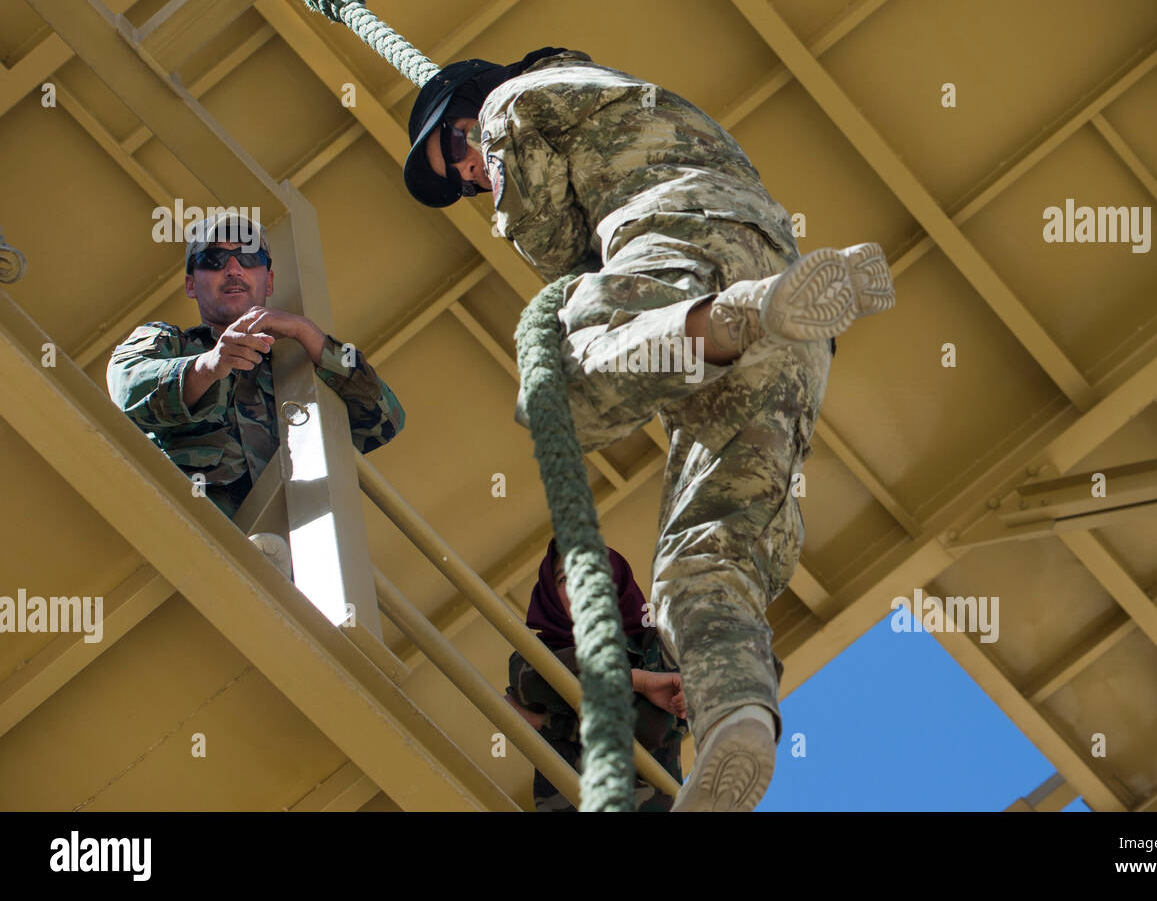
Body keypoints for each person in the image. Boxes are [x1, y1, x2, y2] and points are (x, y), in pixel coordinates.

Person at [403, 47, 894, 811]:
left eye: (458, 148)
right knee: (705, 560)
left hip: (677, 242)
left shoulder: (516, 101)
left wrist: (526, 210)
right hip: (773, 299)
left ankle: (739, 318)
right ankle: (737, 716)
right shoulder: (636, 98)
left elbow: (547, 235)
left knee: (558, 395)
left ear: (478, 104)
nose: (467, 172)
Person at [107, 214, 406, 529]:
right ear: (191, 285)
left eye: (249, 256)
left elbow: (387, 421)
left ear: (270, 280)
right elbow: (126, 389)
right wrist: (209, 366)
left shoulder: (302, 366)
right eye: (214, 259)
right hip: (194, 538)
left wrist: (306, 332)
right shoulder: (168, 342)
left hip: (298, 555)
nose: (233, 269)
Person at [505, 539, 688, 812]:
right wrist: (638, 681)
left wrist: (550, 722)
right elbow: (529, 684)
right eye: (565, 578)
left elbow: (655, 727)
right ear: (552, 595)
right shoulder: (535, 652)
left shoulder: (656, 644)